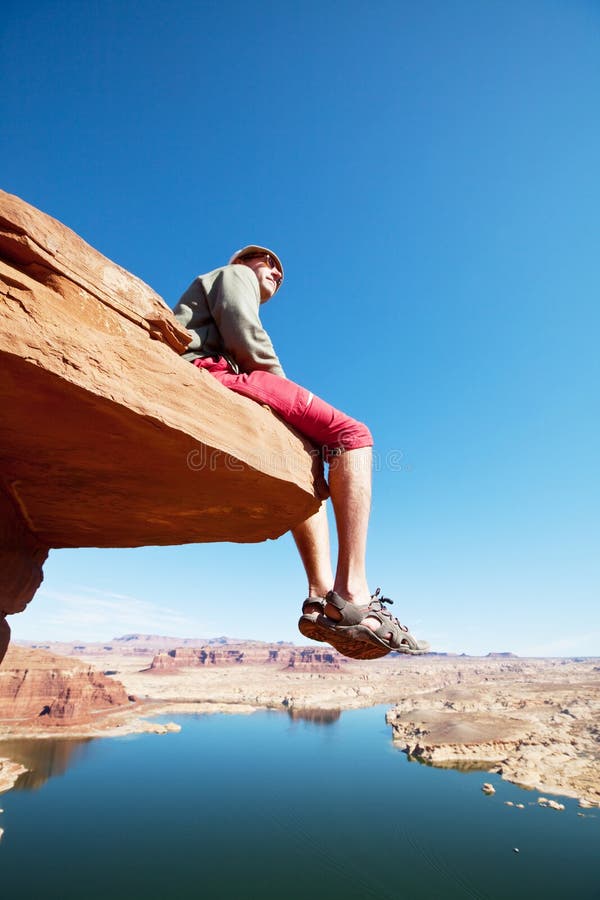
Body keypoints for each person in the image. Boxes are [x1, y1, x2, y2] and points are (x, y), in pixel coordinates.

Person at [173, 246, 428, 659]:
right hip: (211, 372)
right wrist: (280, 389)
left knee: (308, 460)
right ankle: (352, 593)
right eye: (264, 260)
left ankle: (318, 599)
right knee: (352, 434)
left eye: (279, 269)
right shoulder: (232, 275)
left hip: (211, 371)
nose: (274, 269)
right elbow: (245, 331)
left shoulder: (218, 286)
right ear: (242, 262)